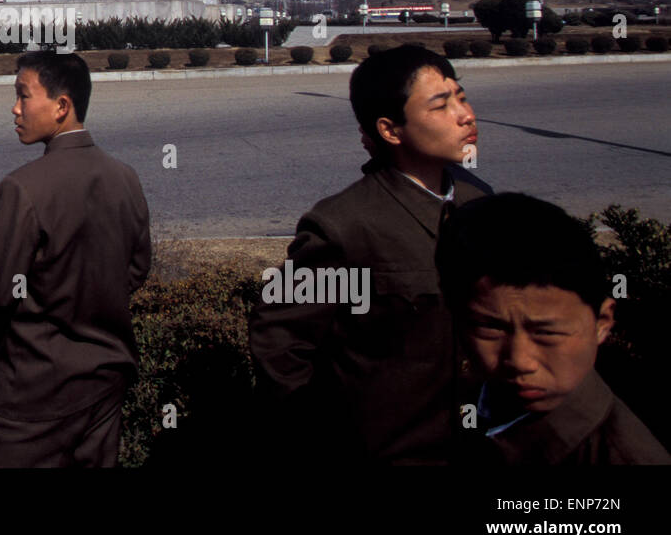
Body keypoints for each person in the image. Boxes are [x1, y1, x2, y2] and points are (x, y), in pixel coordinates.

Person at [247, 44, 492, 464]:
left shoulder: (479, 200)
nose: (465, 116)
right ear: (390, 130)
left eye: (462, 97)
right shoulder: (343, 227)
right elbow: (280, 347)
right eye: (440, 105)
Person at [0, 51, 151, 468]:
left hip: (33, 393)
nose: (15, 108)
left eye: (23, 95)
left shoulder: (23, 188)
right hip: (105, 381)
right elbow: (137, 267)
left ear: (61, 106)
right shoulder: (124, 176)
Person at [436, 193, 670, 465]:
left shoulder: (624, 456)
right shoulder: (476, 399)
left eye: (547, 333)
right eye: (491, 329)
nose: (521, 361)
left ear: (602, 323)